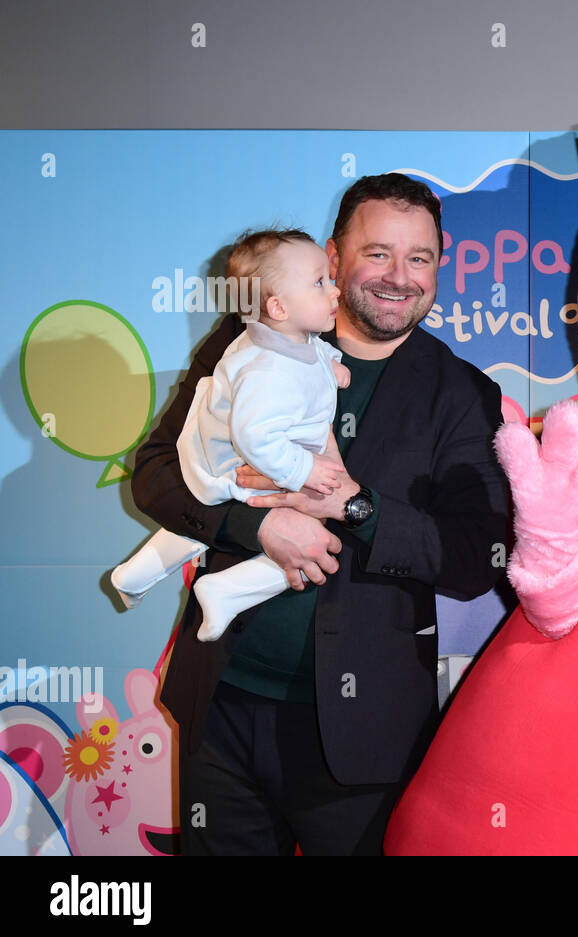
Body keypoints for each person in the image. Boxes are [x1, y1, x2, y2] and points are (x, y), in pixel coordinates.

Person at [131, 173, 510, 855]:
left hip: (363, 739)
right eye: (378, 253)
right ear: (333, 258)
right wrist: (261, 526)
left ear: (440, 263)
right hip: (224, 709)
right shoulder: (245, 340)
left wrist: (353, 506)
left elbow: (470, 557)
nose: (399, 277)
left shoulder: (464, 395)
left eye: (418, 258)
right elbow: (158, 473)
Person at [112, 229, 350, 642]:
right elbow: (255, 437)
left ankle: (135, 574)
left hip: (227, 464)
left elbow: (312, 351)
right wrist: (303, 470)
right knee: (315, 545)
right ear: (277, 306)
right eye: (320, 283)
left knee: (195, 527)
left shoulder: (288, 337)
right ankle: (224, 591)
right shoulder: (268, 369)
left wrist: (332, 362)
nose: (335, 291)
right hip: (236, 467)